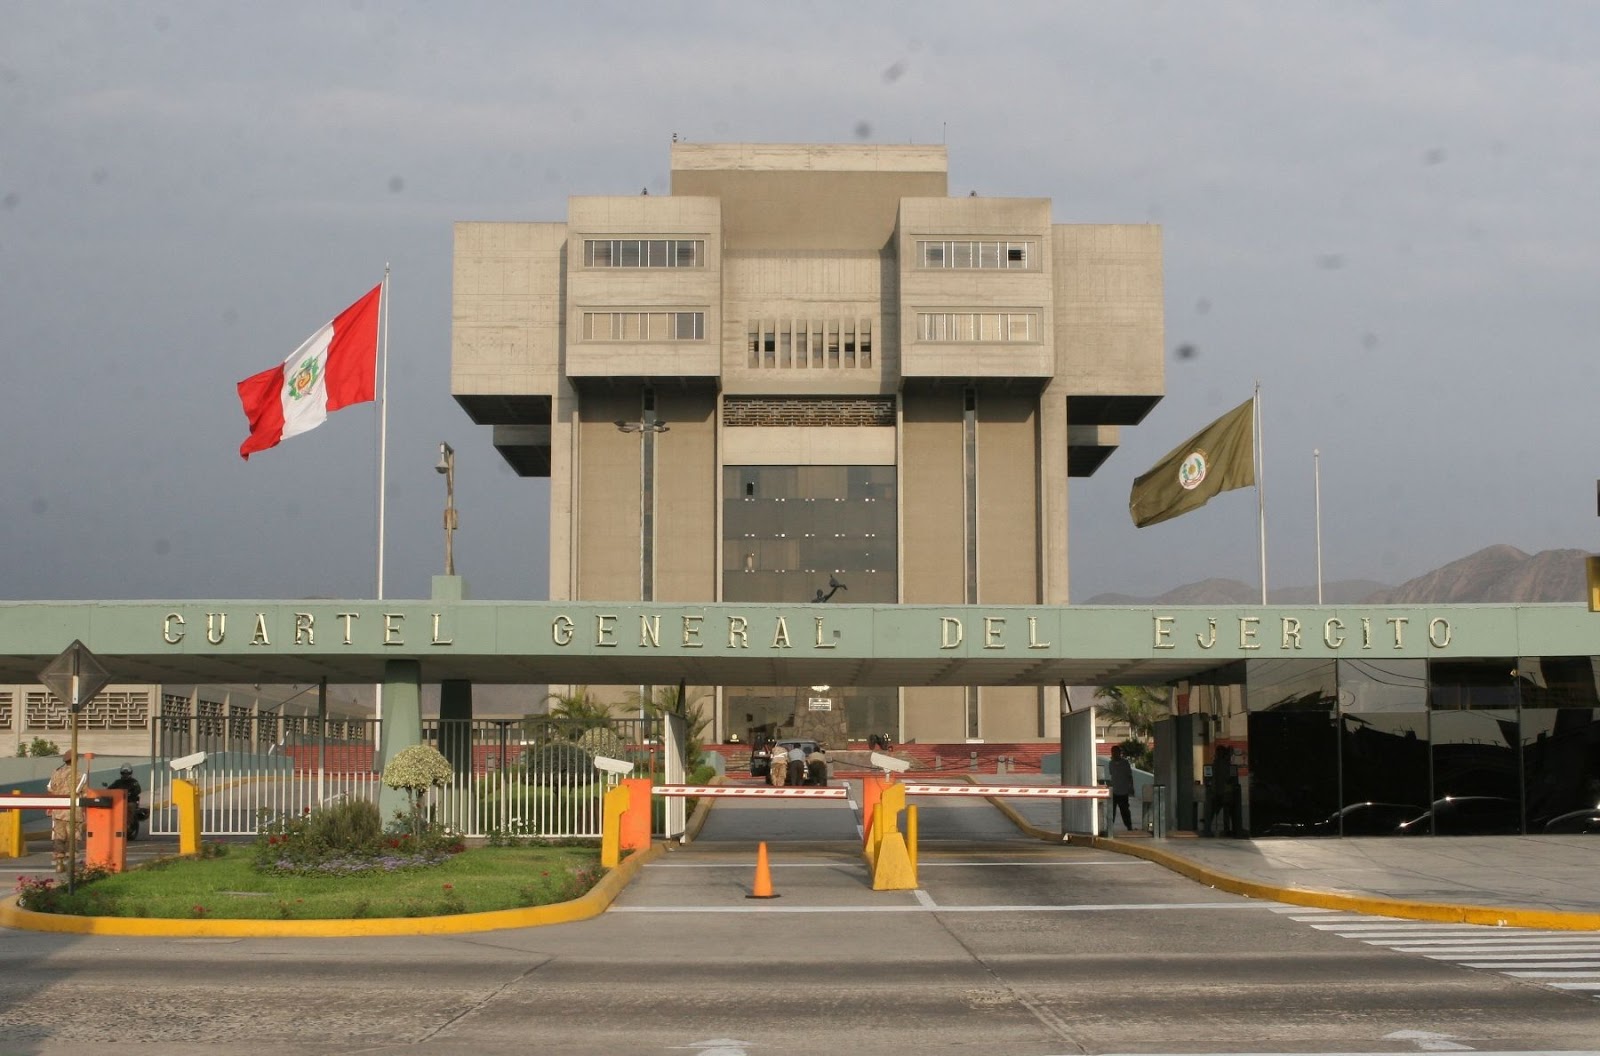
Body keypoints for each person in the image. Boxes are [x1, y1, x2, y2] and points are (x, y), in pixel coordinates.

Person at [47, 750, 81, 873]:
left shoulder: (56, 773)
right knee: (73, 837)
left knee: (59, 837)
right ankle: (71, 865)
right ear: (75, 760)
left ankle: (59, 864)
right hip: (73, 811)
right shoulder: (79, 774)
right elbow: (83, 791)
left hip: (58, 810)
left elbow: (50, 789)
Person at [1108, 745, 1135, 832]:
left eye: (1116, 752)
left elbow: (1130, 776)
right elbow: (1111, 774)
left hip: (1123, 791)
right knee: (1111, 811)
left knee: (1125, 811)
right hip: (1114, 791)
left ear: (1120, 753)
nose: (1115, 754)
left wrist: (1131, 787)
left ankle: (1129, 826)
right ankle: (1110, 828)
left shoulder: (1125, 763)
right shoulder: (1110, 763)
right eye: (1113, 752)